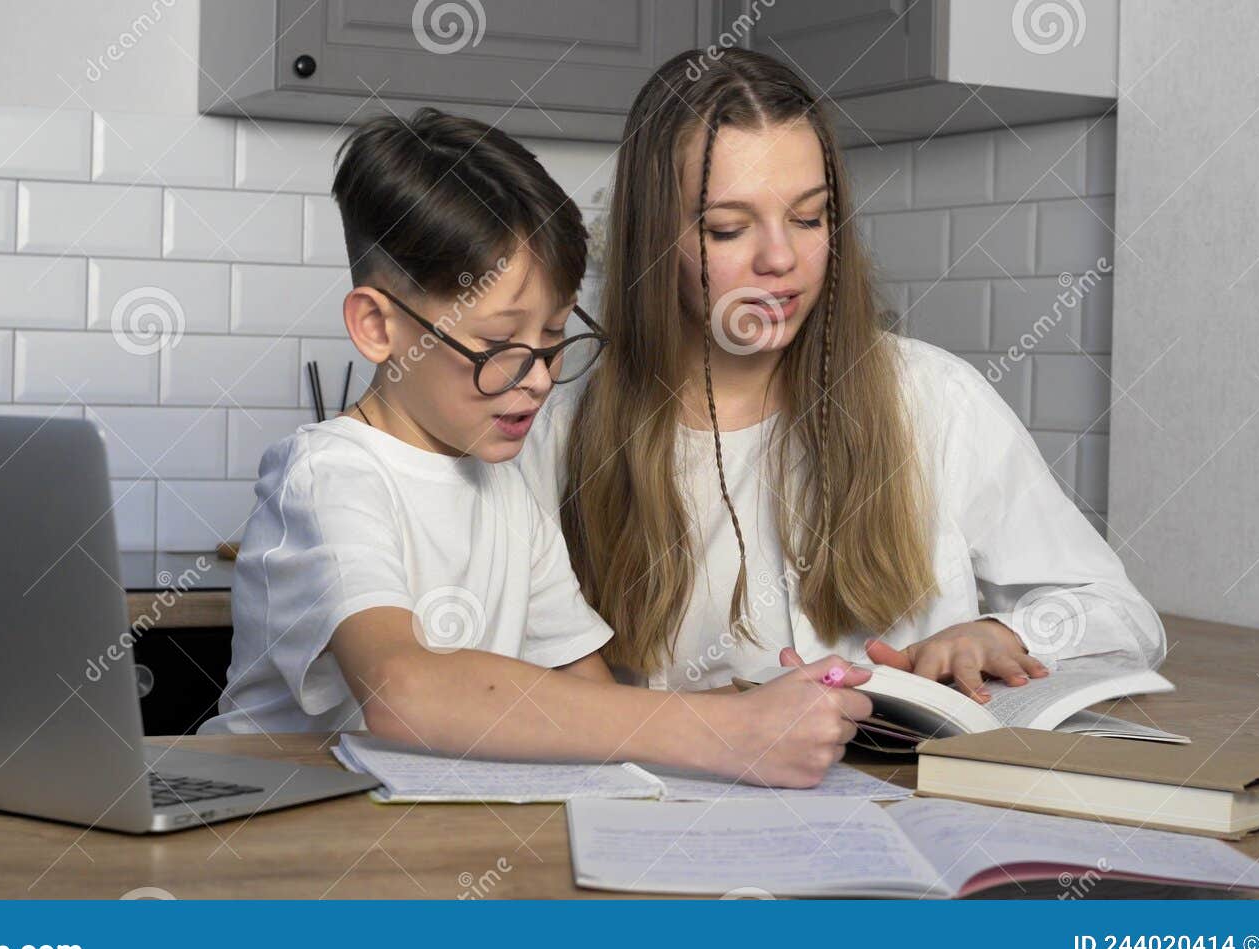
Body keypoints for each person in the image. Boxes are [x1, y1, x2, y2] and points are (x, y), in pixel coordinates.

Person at [201, 108, 872, 789]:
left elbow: (593, 702)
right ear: (378, 326)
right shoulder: (328, 475)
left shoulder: (503, 485)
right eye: (498, 348)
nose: (541, 379)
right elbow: (405, 692)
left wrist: (747, 710)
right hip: (272, 824)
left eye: (553, 339)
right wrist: (718, 734)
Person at [520, 48, 1166, 700]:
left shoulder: (935, 400)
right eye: (728, 228)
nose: (782, 258)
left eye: (809, 217)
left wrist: (1006, 634)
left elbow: (1123, 616)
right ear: (653, 239)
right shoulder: (559, 427)